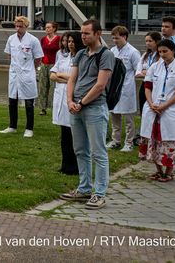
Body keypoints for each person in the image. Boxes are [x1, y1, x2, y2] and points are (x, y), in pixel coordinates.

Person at [60, 19, 113, 210]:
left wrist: (81, 103)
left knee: (98, 152)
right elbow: (72, 79)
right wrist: (70, 101)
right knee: (80, 150)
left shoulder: (106, 55)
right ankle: (84, 188)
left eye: (87, 33)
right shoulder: (81, 54)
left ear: (98, 34)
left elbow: (100, 85)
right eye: (82, 33)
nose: (83, 36)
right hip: (76, 108)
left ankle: (99, 193)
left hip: (94, 108)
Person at [139, 39, 175, 182]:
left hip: (170, 110)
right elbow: (147, 86)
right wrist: (151, 103)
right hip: (153, 108)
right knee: (153, 139)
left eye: (165, 51)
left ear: (173, 51)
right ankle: (158, 170)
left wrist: (164, 106)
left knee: (169, 142)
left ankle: (169, 171)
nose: (162, 54)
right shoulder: (155, 67)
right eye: (160, 52)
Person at [1, 15, 43, 137]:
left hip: (27, 73)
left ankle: (29, 128)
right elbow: (9, 54)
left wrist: (31, 69)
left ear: (26, 26)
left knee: (29, 102)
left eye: (21, 26)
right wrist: (14, 66)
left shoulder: (33, 40)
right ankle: (12, 126)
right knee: (12, 100)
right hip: (14, 73)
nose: (18, 28)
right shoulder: (11, 39)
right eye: (16, 26)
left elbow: (38, 58)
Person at [50, 31, 82, 175]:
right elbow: (52, 75)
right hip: (61, 98)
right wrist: (68, 79)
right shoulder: (63, 57)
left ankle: (74, 167)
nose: (70, 44)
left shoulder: (82, 58)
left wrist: (62, 76)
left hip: (74, 98)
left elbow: (79, 78)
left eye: (72, 41)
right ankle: (65, 165)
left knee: (74, 136)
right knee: (64, 136)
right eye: (68, 41)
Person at [108, 26, 141, 152]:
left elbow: (137, 69)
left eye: (117, 38)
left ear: (124, 37)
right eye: (113, 38)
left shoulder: (133, 52)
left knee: (128, 118)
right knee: (114, 115)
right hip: (115, 87)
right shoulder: (112, 51)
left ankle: (129, 142)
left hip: (127, 88)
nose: (115, 40)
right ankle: (115, 140)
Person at [38, 21, 61, 116]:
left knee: (53, 86)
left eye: (49, 27)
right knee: (42, 86)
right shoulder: (43, 39)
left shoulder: (58, 39)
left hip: (54, 64)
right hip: (44, 64)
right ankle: (42, 108)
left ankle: (53, 107)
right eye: (46, 27)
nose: (47, 29)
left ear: (54, 28)